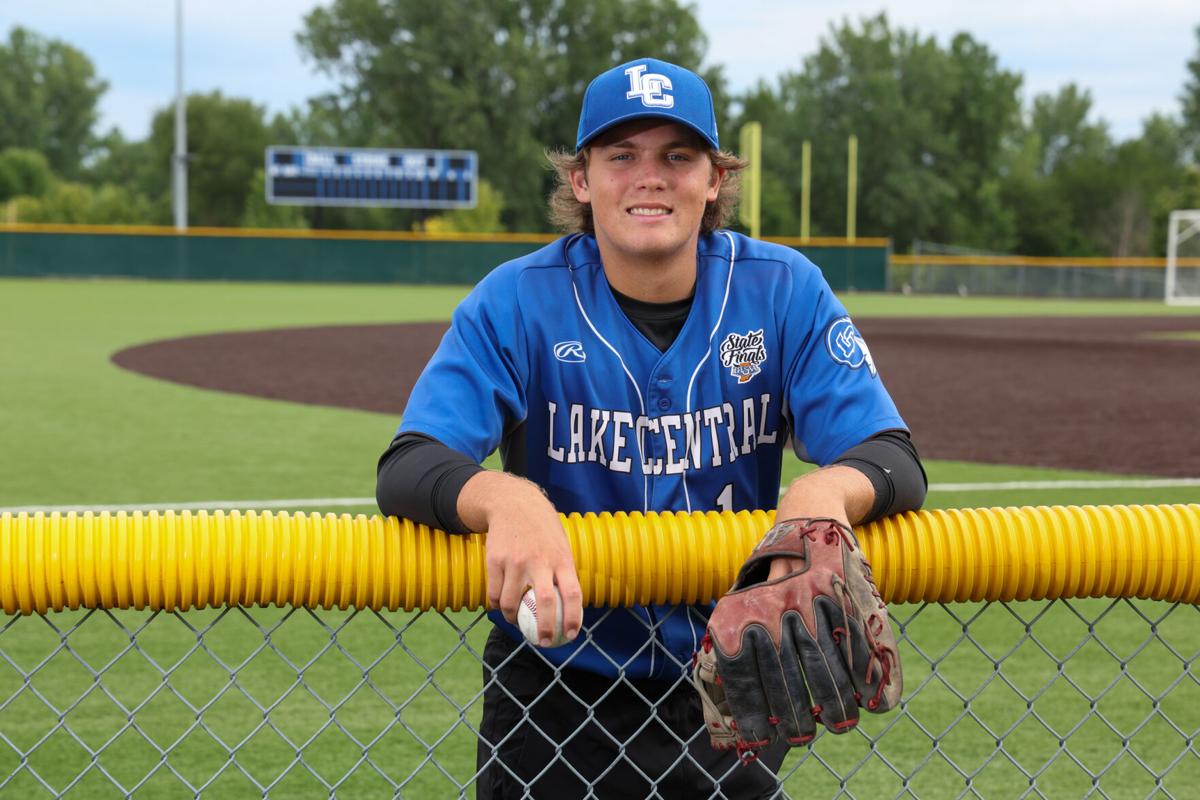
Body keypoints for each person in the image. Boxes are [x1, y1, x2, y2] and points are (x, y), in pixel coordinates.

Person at [377, 57, 926, 799]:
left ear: (715, 179)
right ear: (582, 180)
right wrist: (508, 500)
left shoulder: (783, 289)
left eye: (678, 156)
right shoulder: (515, 300)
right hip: (552, 685)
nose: (650, 177)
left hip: (729, 674)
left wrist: (821, 494)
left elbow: (891, 455)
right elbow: (411, 463)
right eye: (621, 156)